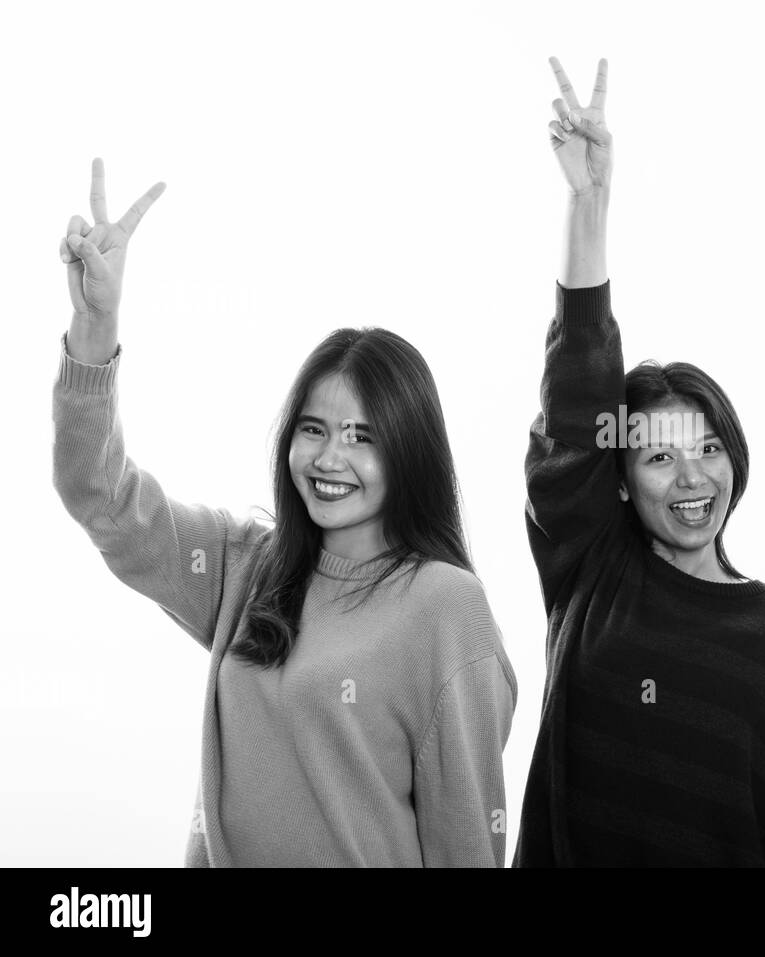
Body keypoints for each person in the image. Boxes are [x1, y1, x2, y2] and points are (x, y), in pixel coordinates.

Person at [52, 159, 517, 867]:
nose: (331, 457)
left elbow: (465, 846)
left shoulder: (446, 607)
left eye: (364, 436)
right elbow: (100, 493)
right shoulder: (245, 565)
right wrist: (95, 323)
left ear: (411, 451)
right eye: (314, 428)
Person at [514, 59, 765, 867]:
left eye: (708, 449)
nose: (692, 477)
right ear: (620, 482)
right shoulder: (588, 569)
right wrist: (587, 204)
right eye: (659, 457)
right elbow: (577, 400)